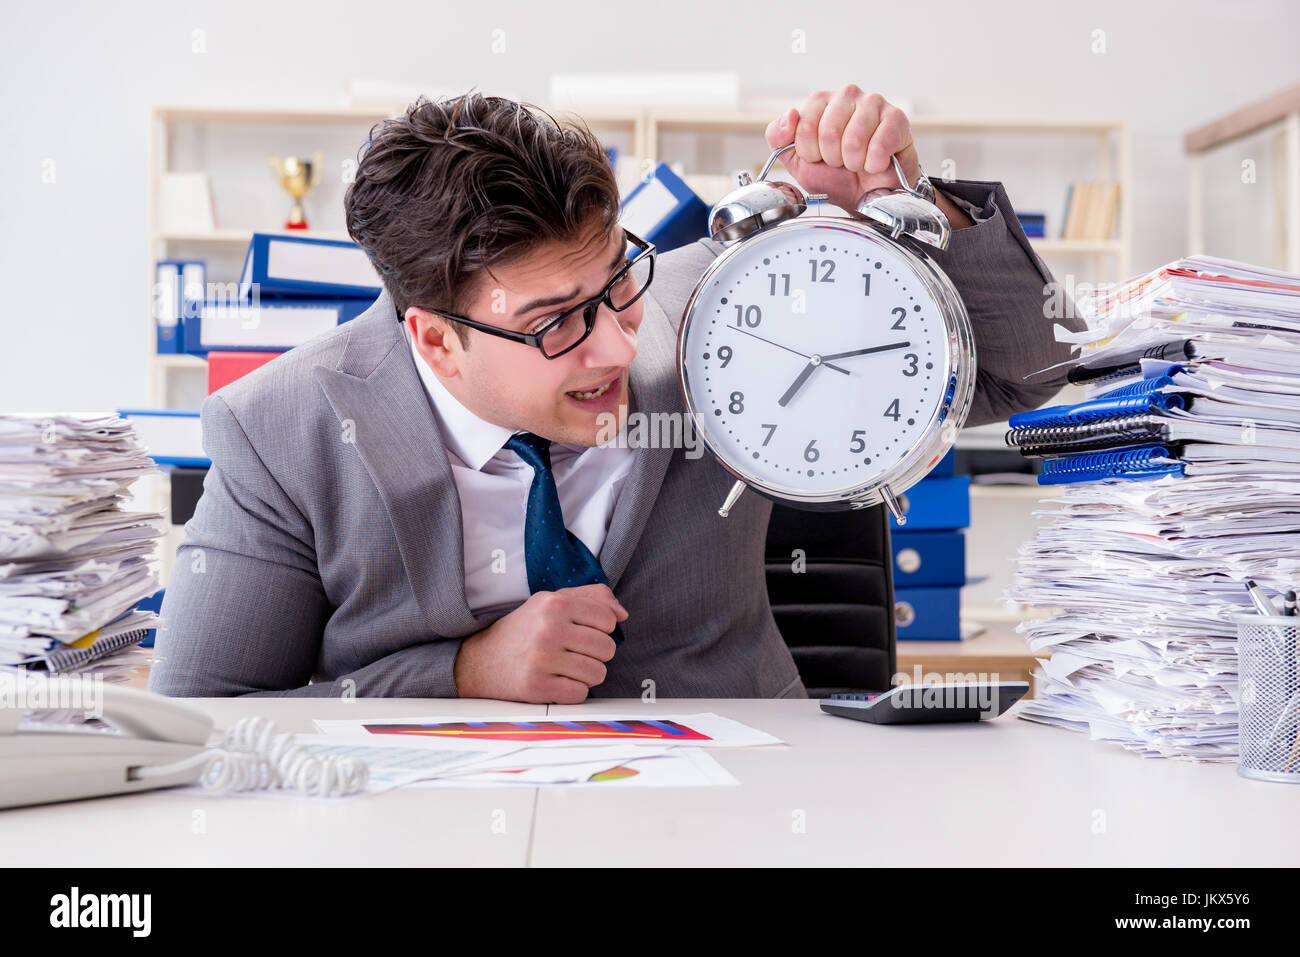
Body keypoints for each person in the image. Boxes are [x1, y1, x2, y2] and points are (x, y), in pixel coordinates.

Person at [149, 85, 1078, 702]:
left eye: (616, 281)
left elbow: (1035, 373)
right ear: (435, 337)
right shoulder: (285, 429)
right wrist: (462, 671)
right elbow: (211, 716)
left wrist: (914, 199)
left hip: (751, 800)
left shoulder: (713, 314)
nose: (616, 342)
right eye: (557, 320)